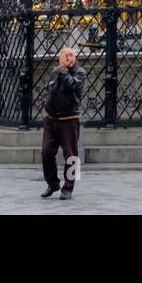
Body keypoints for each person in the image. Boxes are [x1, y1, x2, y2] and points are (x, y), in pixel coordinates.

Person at [40, 47, 86, 201]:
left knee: (72, 156)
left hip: (69, 120)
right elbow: (49, 88)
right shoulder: (56, 71)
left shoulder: (80, 72)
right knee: (46, 152)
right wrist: (45, 101)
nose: (68, 58)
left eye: (71, 55)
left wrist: (64, 71)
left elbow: (73, 86)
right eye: (65, 55)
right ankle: (52, 183)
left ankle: (68, 188)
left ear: (75, 56)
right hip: (51, 119)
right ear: (60, 57)